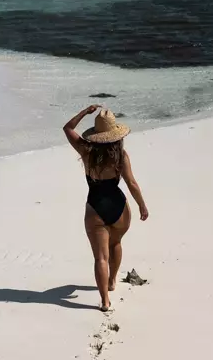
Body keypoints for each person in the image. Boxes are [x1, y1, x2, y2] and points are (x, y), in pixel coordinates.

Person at [63, 104, 149, 312]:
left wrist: (84, 112)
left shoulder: (86, 151)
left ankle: (105, 301)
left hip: (95, 208)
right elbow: (131, 184)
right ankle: (112, 281)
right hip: (119, 206)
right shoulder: (121, 155)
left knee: (100, 257)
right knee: (116, 243)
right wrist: (142, 206)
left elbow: (67, 128)